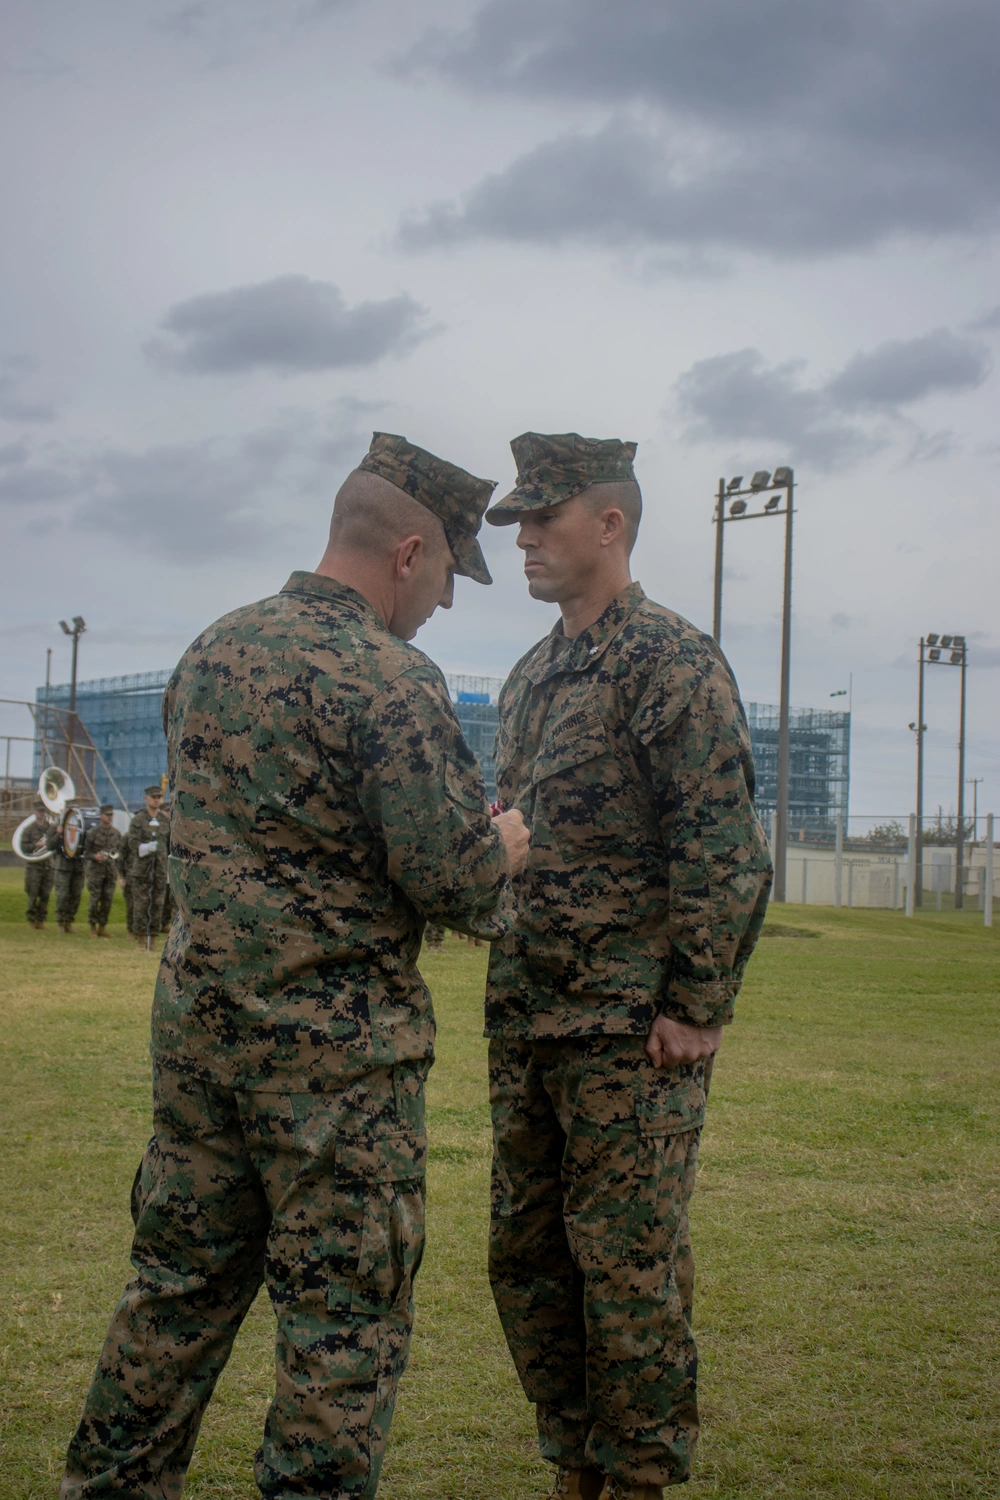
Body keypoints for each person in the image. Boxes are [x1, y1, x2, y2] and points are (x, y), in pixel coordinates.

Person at [61, 432, 530, 1500]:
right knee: (338, 1328)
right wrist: (503, 844)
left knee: (172, 1297)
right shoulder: (392, 679)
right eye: (448, 575)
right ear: (408, 552)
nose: (443, 603)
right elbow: (453, 881)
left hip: (201, 1048)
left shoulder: (211, 651)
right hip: (337, 1077)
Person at [482, 432, 772, 1500]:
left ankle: (637, 1476)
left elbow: (722, 846)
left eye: (542, 516)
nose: (522, 537)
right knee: (527, 1258)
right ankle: (576, 1463)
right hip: (530, 1021)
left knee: (627, 1267)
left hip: (628, 1033)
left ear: (609, 524)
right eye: (516, 519)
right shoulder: (530, 678)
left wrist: (696, 1004)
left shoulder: (671, 662)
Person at [122, 785, 168, 947]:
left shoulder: (165, 820)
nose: (156, 800)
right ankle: (141, 939)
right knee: (141, 905)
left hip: (160, 869)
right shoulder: (138, 820)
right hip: (142, 870)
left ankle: (152, 938)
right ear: (146, 799)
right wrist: (146, 848)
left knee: (158, 904)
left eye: (159, 797)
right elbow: (132, 843)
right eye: (153, 797)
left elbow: (170, 844)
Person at [84, 804, 122, 937]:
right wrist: (94, 856)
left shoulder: (116, 833)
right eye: (107, 815)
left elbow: (119, 853)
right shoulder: (92, 833)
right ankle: (92, 927)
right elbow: (85, 853)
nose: (109, 817)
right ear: (101, 816)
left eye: (111, 815)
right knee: (94, 899)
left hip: (110, 872)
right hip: (96, 871)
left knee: (107, 900)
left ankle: (102, 927)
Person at [48, 806, 87, 934]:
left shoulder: (80, 825)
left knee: (76, 895)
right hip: (63, 866)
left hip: (78, 865)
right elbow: (49, 845)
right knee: (62, 895)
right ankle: (60, 922)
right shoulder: (55, 826)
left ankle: (69, 922)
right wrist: (58, 834)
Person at [22, 798, 54, 929]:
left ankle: (41, 920)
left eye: (43, 811)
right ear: (33, 811)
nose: (42, 813)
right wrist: (37, 845)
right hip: (34, 866)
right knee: (33, 893)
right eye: (39, 810)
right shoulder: (28, 829)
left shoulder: (50, 828)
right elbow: (23, 848)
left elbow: (55, 844)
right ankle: (31, 920)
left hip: (48, 865)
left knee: (45, 894)